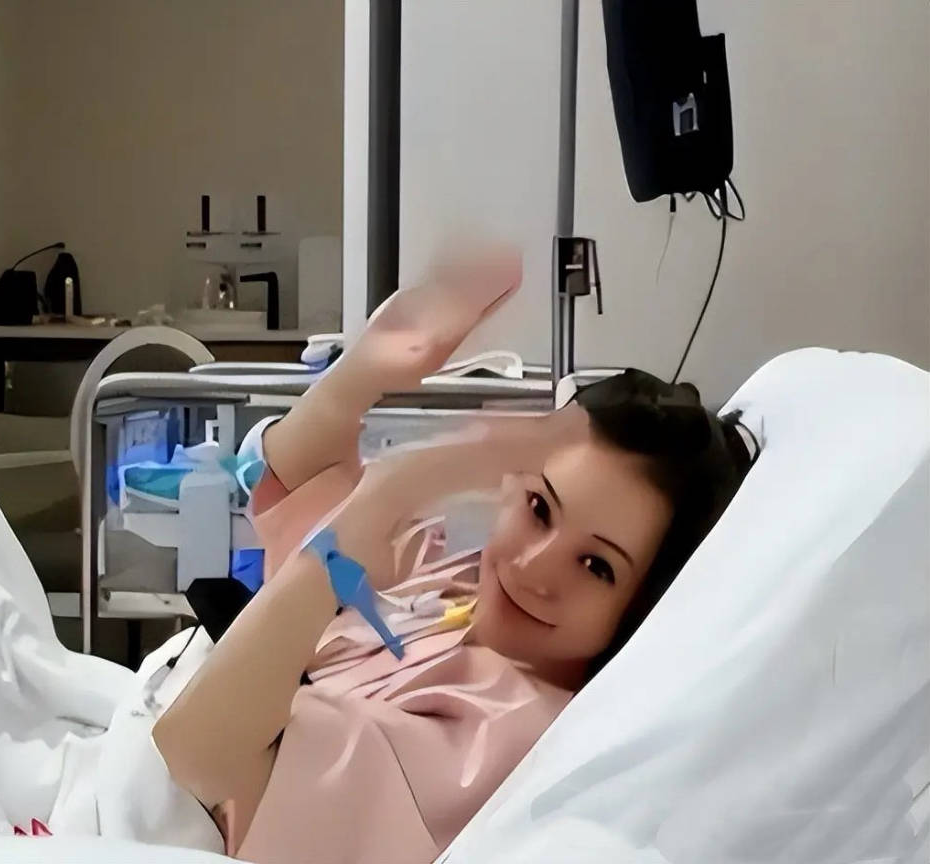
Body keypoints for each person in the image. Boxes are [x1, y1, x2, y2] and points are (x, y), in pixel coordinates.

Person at [153, 247, 754, 864]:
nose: (533, 567)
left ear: (645, 605)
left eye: (596, 566)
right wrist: (363, 372)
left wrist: (397, 490)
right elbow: (304, 483)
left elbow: (198, 758)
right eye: (540, 508)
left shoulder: (498, 738)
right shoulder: (462, 591)